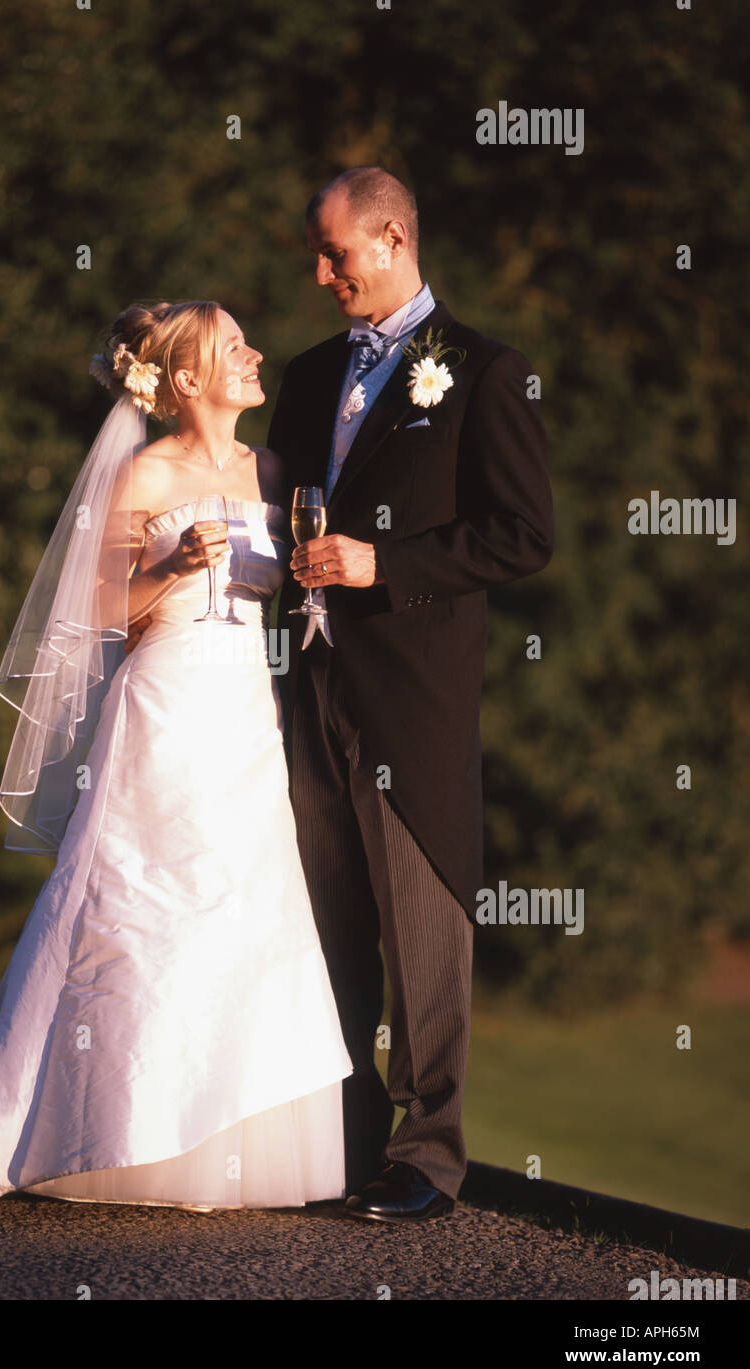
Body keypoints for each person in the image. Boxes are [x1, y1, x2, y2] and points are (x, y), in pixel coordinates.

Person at [0, 300, 352, 1222]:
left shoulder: (272, 470)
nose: (255, 353)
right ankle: (85, 1130)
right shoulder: (143, 475)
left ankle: (208, 1144)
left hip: (246, 713)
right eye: (235, 346)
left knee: (241, 907)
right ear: (187, 379)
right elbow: (95, 616)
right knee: (138, 902)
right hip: (164, 706)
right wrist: (169, 568)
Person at [266, 167, 554, 1221]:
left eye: (336, 253)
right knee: (326, 929)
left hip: (413, 703)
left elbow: (523, 535)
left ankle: (426, 1159)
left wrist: (380, 564)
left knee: (424, 937)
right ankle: (339, 1150)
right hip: (305, 688)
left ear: (391, 240)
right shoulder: (305, 377)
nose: (321, 272)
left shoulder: (483, 372)